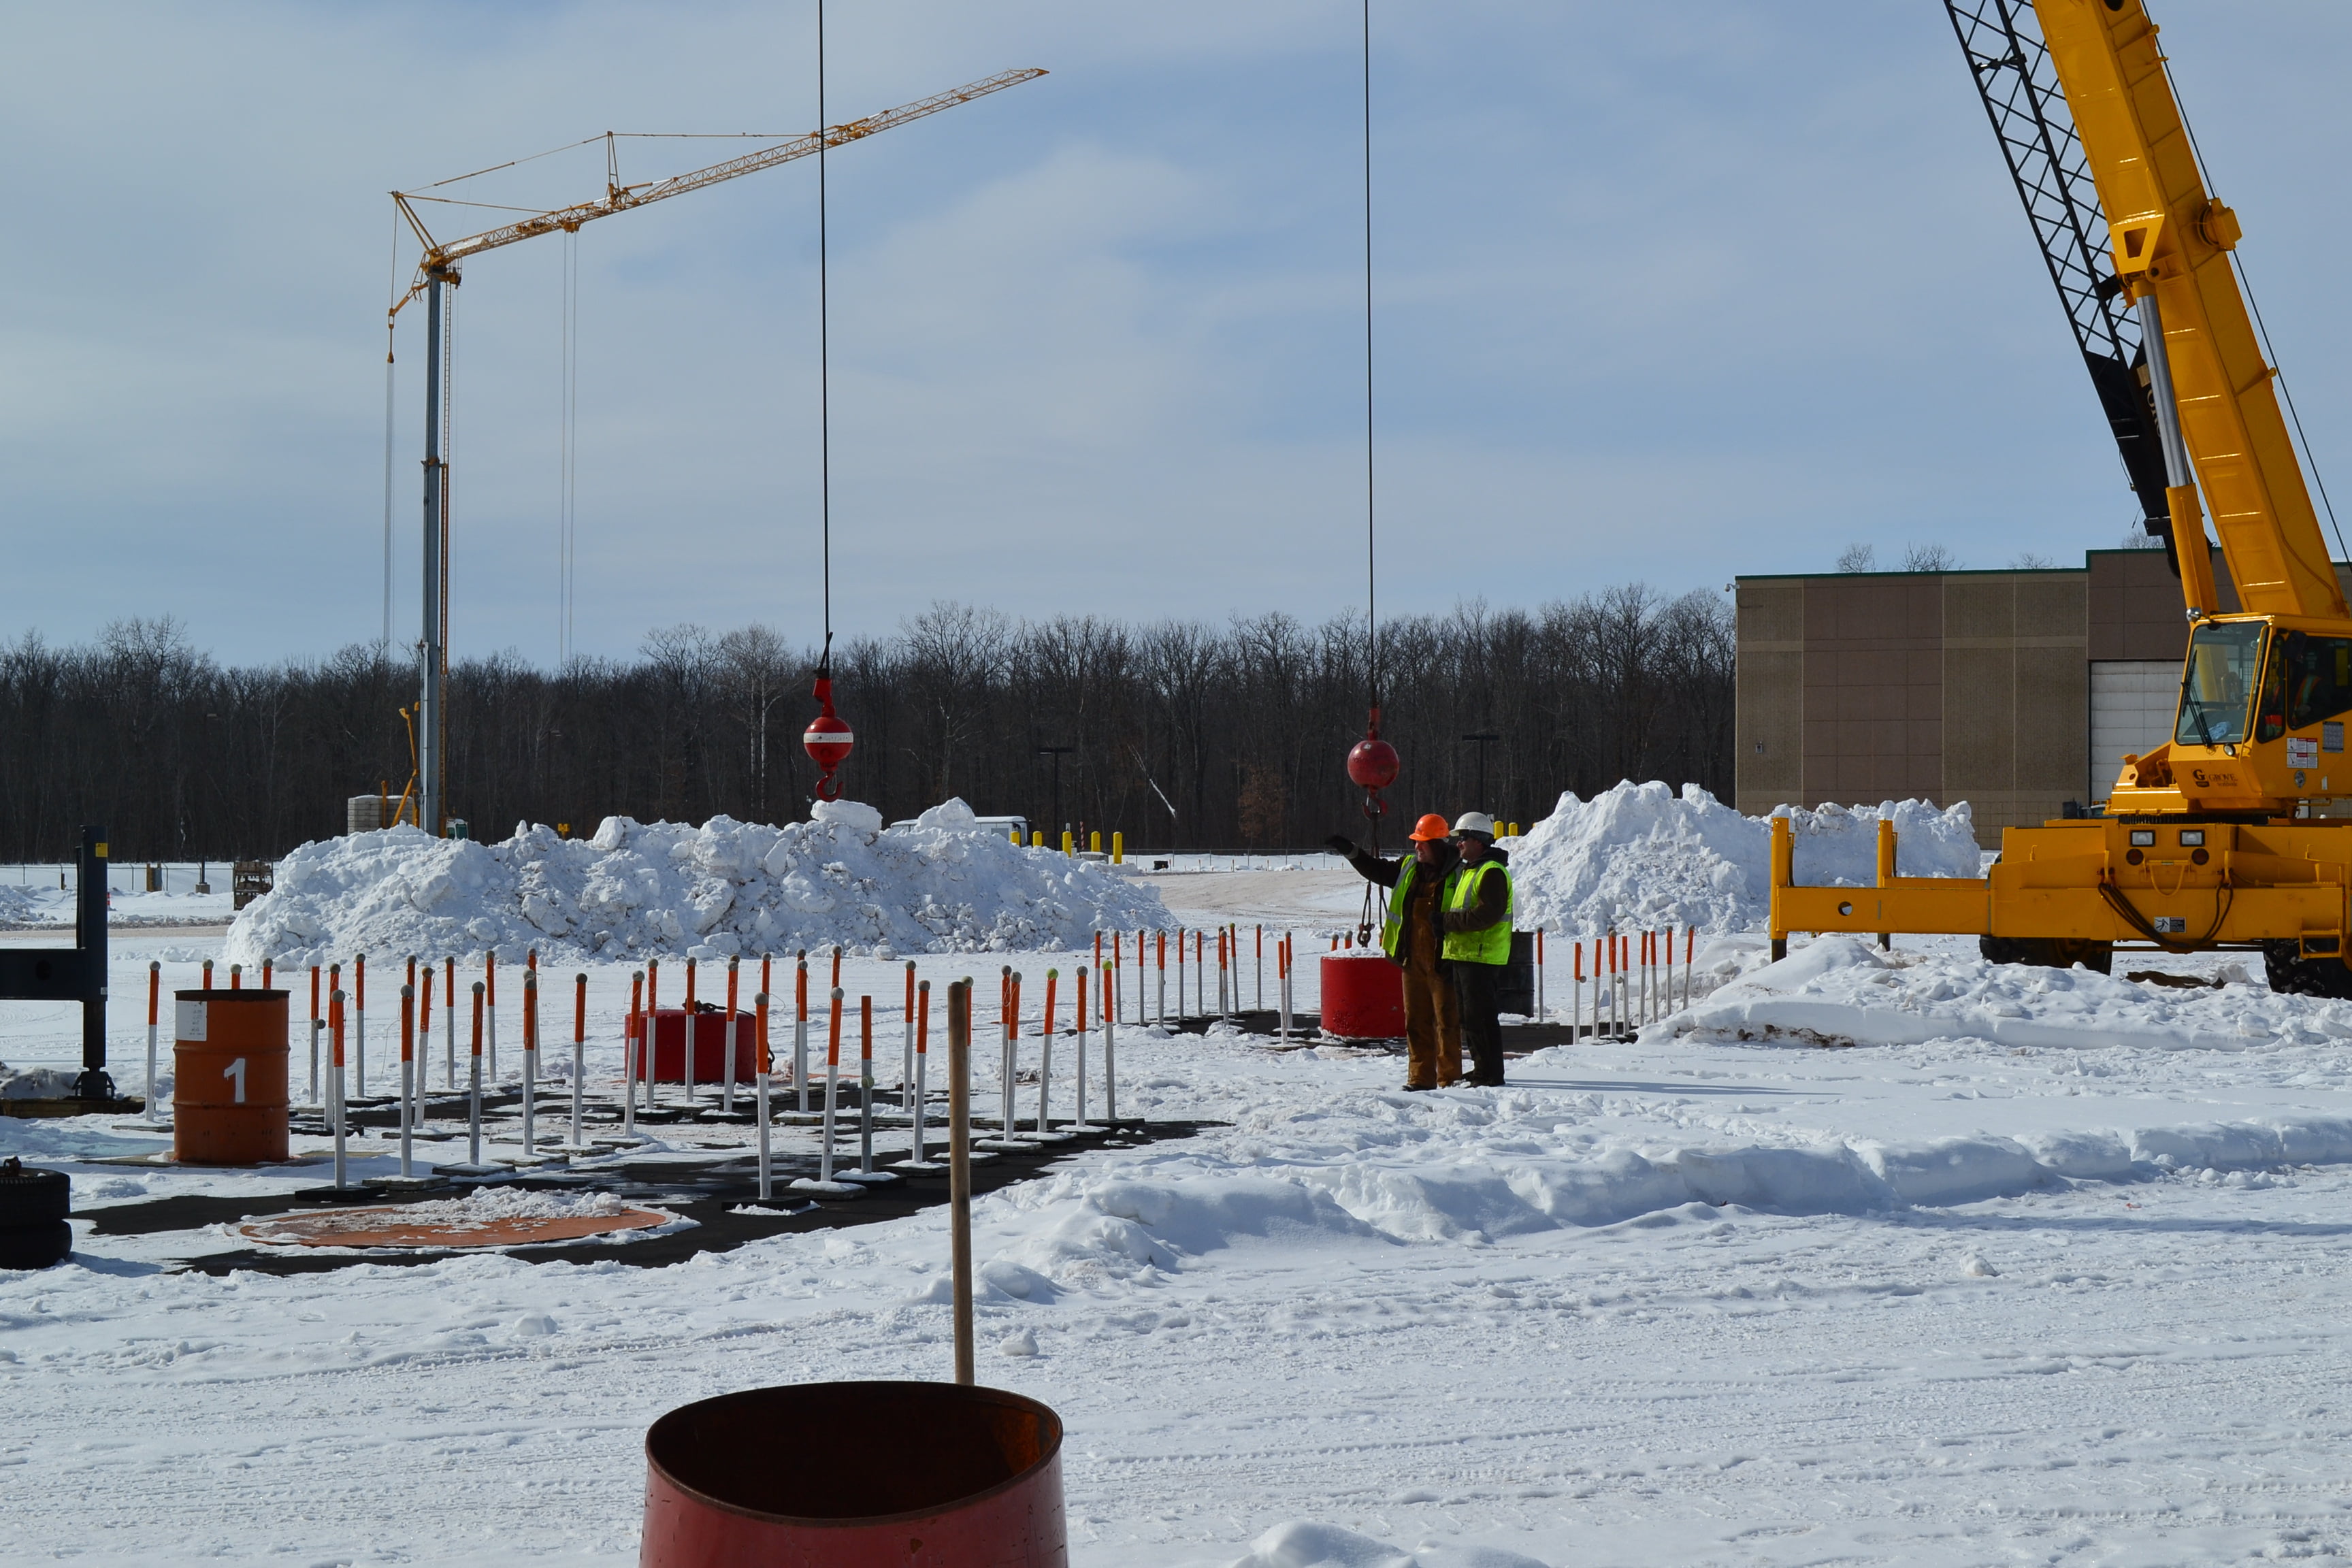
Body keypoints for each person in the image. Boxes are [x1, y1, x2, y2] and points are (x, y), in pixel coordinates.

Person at [1326, 815, 1460, 1090]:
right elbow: (1375, 870)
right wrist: (1350, 851)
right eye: (1416, 842)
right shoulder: (1409, 868)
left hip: (1445, 959)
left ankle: (1449, 1080)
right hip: (1412, 959)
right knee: (1416, 1022)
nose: (1417, 847)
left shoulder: (1460, 873)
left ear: (1437, 844)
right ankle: (1420, 1078)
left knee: (1447, 1023)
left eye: (1423, 843)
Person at [1441, 811, 1514, 1087]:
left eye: (1463, 838)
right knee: (1470, 1019)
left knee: (1481, 1019)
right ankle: (1481, 1068)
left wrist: (1446, 922)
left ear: (1479, 841)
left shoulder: (1491, 872)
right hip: (1466, 954)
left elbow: (1487, 915)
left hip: (1481, 957)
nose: (1458, 844)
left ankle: (1490, 1074)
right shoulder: (1471, 870)